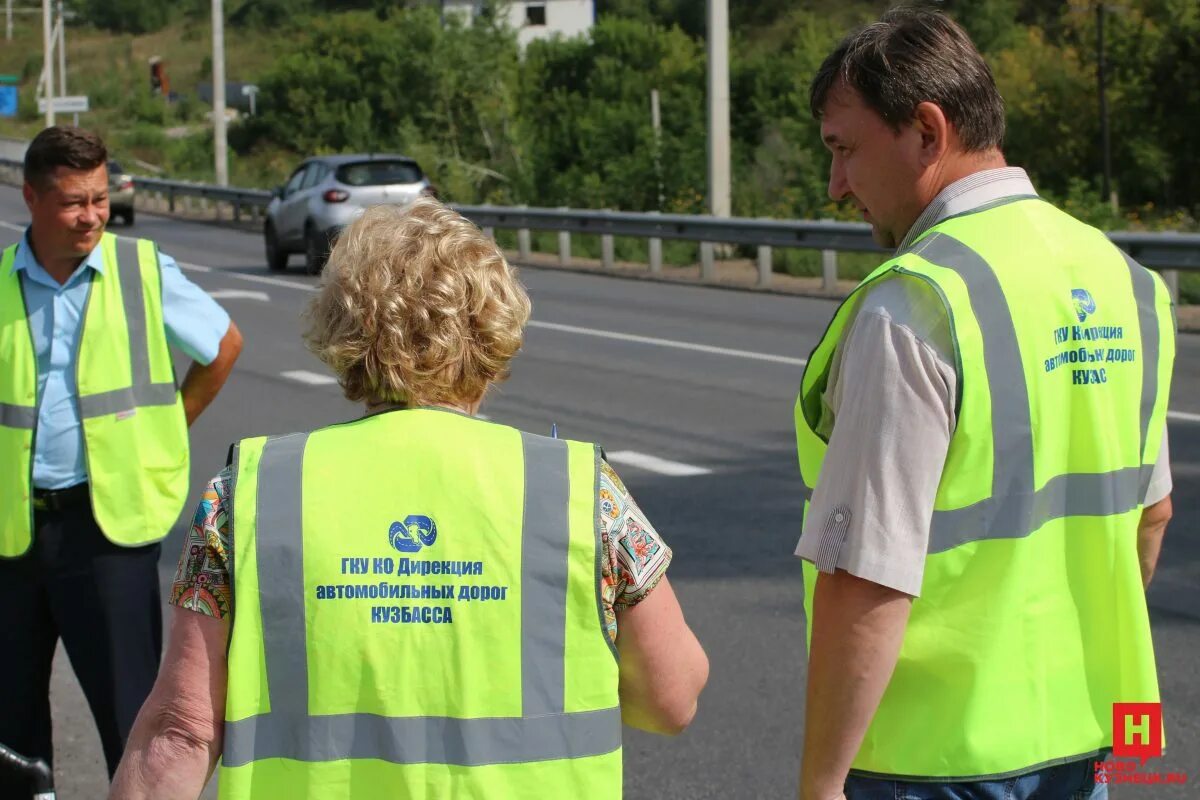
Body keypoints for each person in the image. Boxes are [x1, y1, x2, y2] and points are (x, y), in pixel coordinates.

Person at [110, 198, 709, 799]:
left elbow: (181, 732)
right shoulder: (579, 489)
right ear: (495, 329)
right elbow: (672, 697)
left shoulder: (246, 493)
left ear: (342, 328)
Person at [792, 9, 1174, 800]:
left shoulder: (917, 305)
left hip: (933, 765)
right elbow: (1151, 516)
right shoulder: (1128, 282)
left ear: (927, 132)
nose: (836, 187)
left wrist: (821, 784)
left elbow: (868, 578)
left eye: (844, 150)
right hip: (1083, 746)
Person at [0, 126, 243, 793]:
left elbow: (223, 344)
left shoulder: (139, 270)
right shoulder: (0, 283)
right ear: (31, 198)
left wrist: (167, 429)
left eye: (100, 199)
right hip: (11, 534)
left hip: (106, 532)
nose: (91, 216)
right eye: (74, 202)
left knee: (133, 719)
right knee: (9, 724)